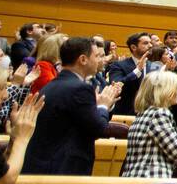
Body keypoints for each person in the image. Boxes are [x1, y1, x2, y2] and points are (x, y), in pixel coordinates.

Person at [22, 36, 121, 176]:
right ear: (83, 59)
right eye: (95, 56)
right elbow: (98, 129)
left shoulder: (56, 83)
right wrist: (103, 106)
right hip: (62, 169)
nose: (99, 60)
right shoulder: (80, 89)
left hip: (46, 165)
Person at [120, 71, 177, 178]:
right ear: (164, 91)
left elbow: (163, 147)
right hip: (151, 181)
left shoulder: (144, 114)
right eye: (175, 87)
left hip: (136, 179)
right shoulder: (159, 114)